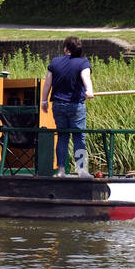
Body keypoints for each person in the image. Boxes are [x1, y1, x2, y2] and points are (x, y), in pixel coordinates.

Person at [41, 36, 95, 176]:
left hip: (58, 106)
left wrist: (44, 100)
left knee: (63, 137)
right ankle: (81, 170)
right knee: (79, 137)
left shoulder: (55, 62)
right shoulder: (83, 62)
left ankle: (61, 170)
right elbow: (86, 77)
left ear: (66, 48)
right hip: (75, 106)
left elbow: (47, 83)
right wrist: (89, 90)